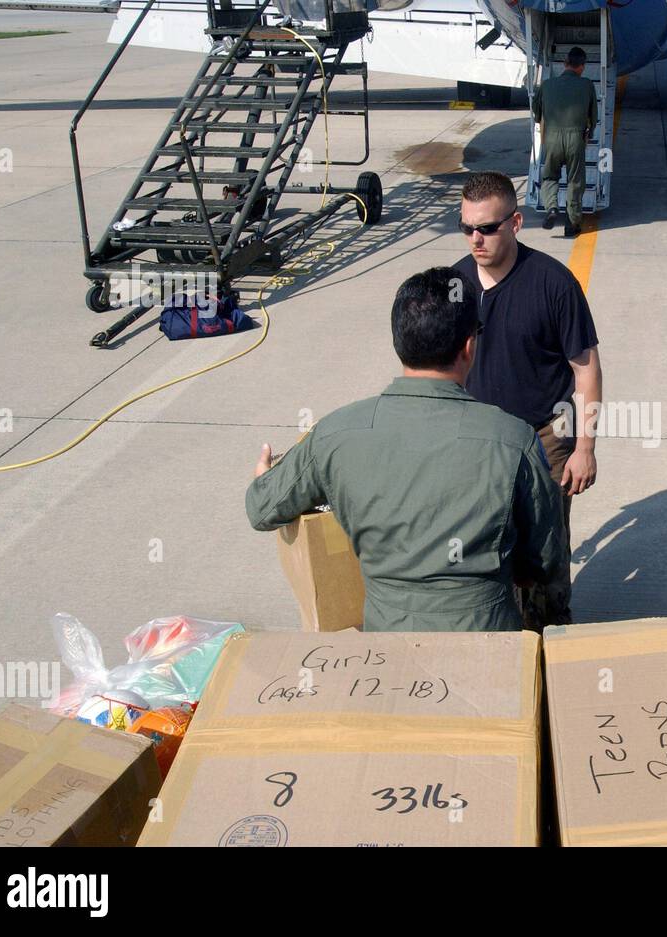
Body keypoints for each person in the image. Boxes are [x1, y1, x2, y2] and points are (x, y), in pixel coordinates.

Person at [245, 267, 566, 632]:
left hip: (388, 649)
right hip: (488, 643)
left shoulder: (336, 433)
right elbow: (546, 561)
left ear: (399, 341)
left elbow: (262, 509)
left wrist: (265, 479)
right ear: (469, 347)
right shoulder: (514, 438)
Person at [452, 171, 602, 628]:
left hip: (545, 436)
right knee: (485, 538)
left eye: (487, 228)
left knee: (546, 546)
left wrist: (585, 448)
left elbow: (586, 369)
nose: (476, 239)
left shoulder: (553, 284)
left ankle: (551, 632)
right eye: (466, 228)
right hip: (479, 438)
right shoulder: (455, 284)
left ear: (515, 223)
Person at [532, 46, 597, 238]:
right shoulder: (587, 85)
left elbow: (537, 112)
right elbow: (593, 116)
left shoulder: (547, 84)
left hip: (552, 137)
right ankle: (572, 222)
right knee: (575, 181)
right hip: (575, 138)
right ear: (582, 67)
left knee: (550, 176)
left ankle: (552, 208)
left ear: (565, 64)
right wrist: (589, 133)